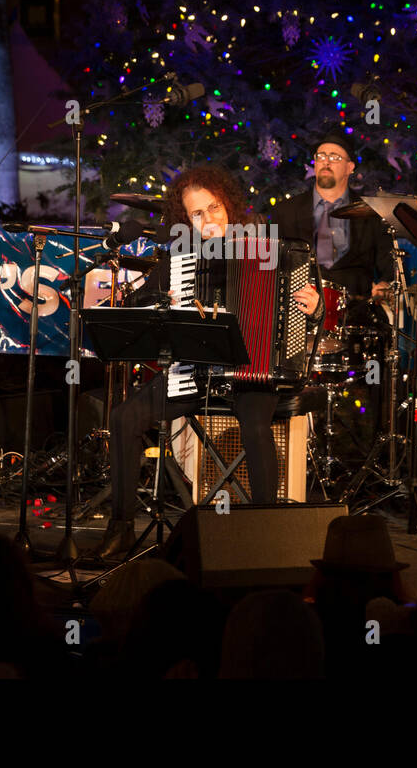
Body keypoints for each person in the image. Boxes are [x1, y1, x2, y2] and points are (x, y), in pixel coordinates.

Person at [94, 165, 322, 559]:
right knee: (123, 417)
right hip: (194, 372)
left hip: (252, 373)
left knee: (254, 424)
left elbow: (301, 301)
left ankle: (263, 530)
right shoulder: (179, 254)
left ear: (227, 204)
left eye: (213, 208)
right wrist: (159, 304)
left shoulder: (264, 245)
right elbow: (142, 301)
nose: (208, 220)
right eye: (196, 214)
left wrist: (314, 308)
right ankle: (121, 529)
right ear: (186, 219)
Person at [272, 133, 395, 299]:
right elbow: (271, 265)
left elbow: (388, 267)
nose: (326, 161)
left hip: (355, 311)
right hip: (297, 307)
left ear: (350, 168)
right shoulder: (285, 211)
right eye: (321, 156)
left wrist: (385, 285)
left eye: (335, 157)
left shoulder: (372, 214)